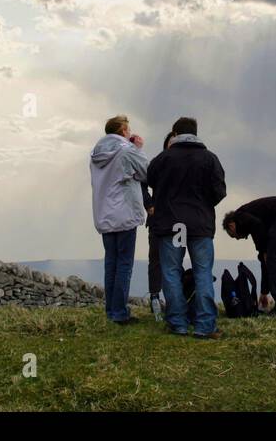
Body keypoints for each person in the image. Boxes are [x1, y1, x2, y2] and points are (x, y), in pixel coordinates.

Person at [146, 116, 226, 339]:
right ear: (196, 132)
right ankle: (205, 325)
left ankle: (178, 323)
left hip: (171, 225)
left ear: (175, 133)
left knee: (171, 272)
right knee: (202, 272)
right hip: (200, 226)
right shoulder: (210, 158)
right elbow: (219, 191)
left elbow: (150, 180)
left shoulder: (163, 159)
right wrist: (201, 204)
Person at [89, 115, 148, 325]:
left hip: (104, 215)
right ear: (122, 131)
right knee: (124, 264)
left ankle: (110, 310)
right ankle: (119, 313)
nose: (131, 133)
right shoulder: (126, 150)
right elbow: (146, 172)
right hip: (124, 215)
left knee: (111, 263)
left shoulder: (96, 154)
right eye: (128, 129)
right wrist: (138, 148)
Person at [223, 196, 276, 317]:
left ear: (231, 225)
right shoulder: (251, 217)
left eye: (233, 236)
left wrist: (264, 251)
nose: (237, 238)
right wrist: (264, 292)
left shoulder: (240, 216)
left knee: (275, 260)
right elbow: (264, 259)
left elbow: (258, 227)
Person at [143, 130, 180, 321]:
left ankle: (174, 302)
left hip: (178, 222)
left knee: (175, 261)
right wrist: (149, 204)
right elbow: (142, 182)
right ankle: (155, 299)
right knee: (156, 259)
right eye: (171, 142)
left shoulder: (184, 164)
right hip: (157, 220)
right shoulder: (158, 162)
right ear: (166, 145)